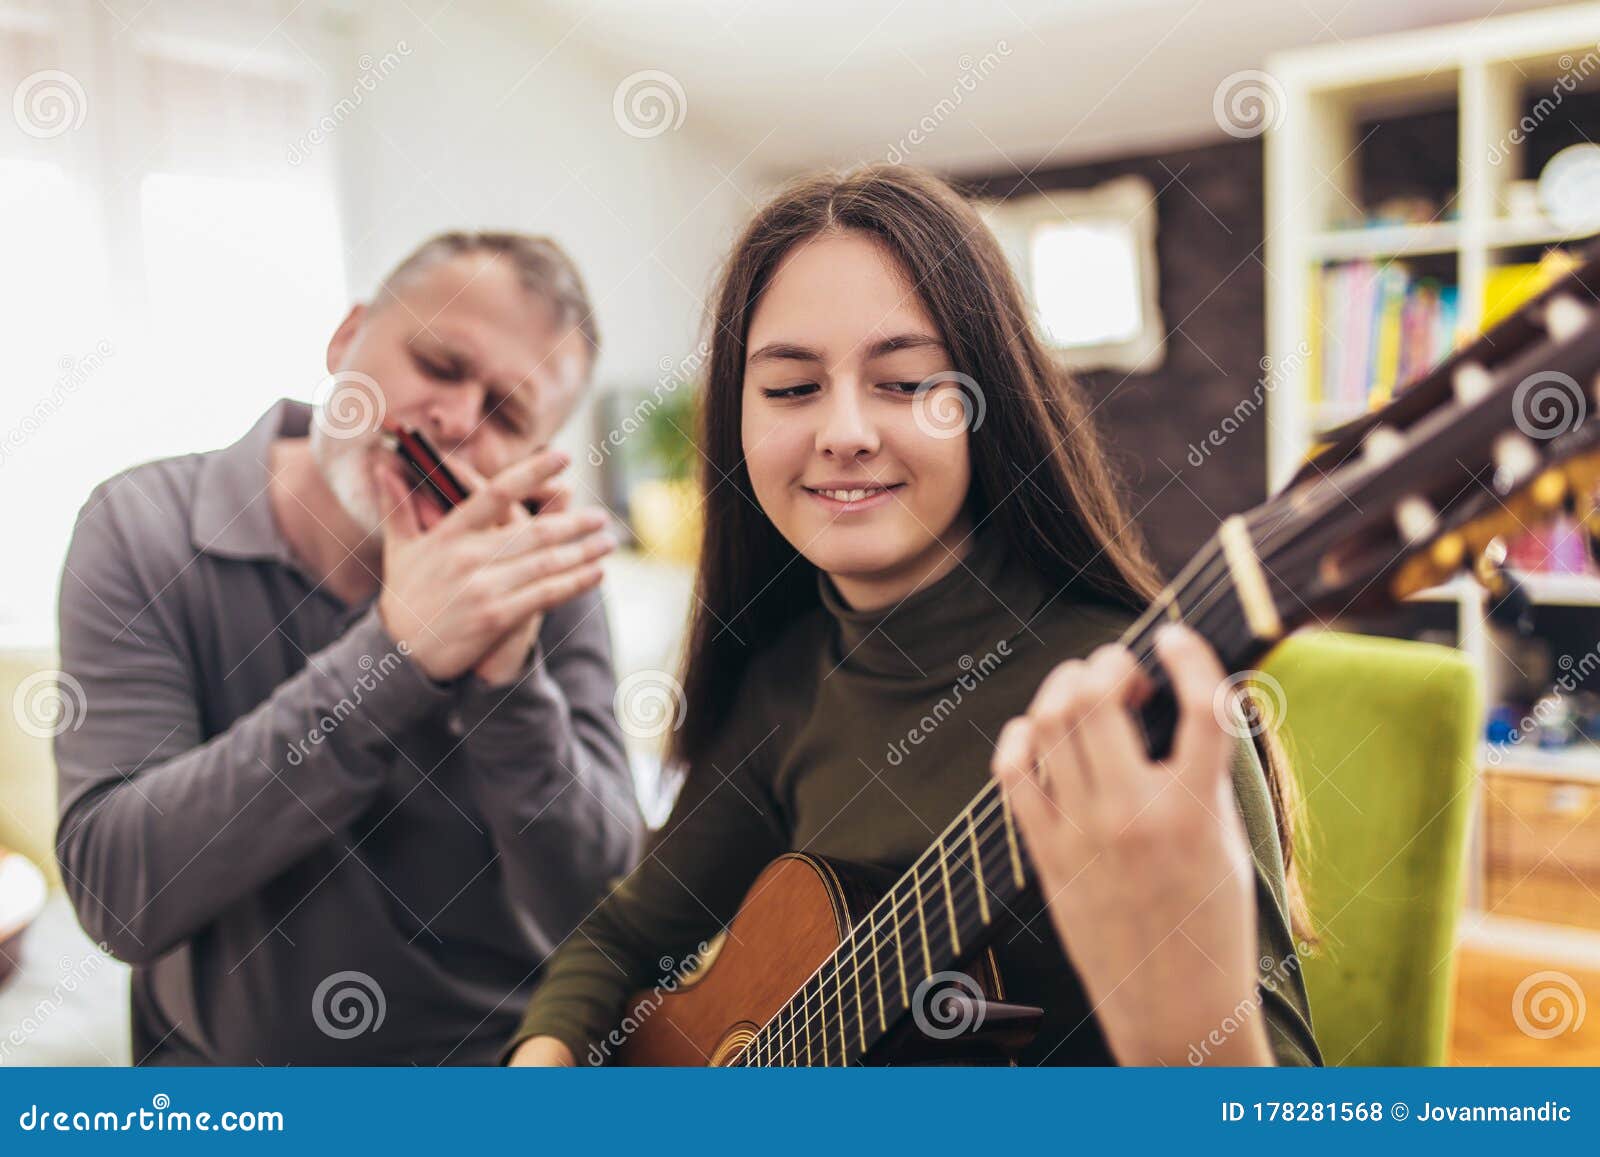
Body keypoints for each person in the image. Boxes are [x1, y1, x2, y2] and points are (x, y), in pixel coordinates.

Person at [505, 167, 1320, 1067]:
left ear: (987, 404)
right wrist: (545, 1061)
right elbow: (619, 941)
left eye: (902, 381)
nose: (844, 430)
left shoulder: (1136, 701)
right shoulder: (787, 677)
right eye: (788, 389)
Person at [54, 232, 642, 1065]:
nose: (457, 420)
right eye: (438, 364)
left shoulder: (542, 571)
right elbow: (120, 895)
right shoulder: (142, 528)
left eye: (506, 414)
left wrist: (508, 680)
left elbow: (600, 914)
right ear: (346, 337)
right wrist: (398, 653)